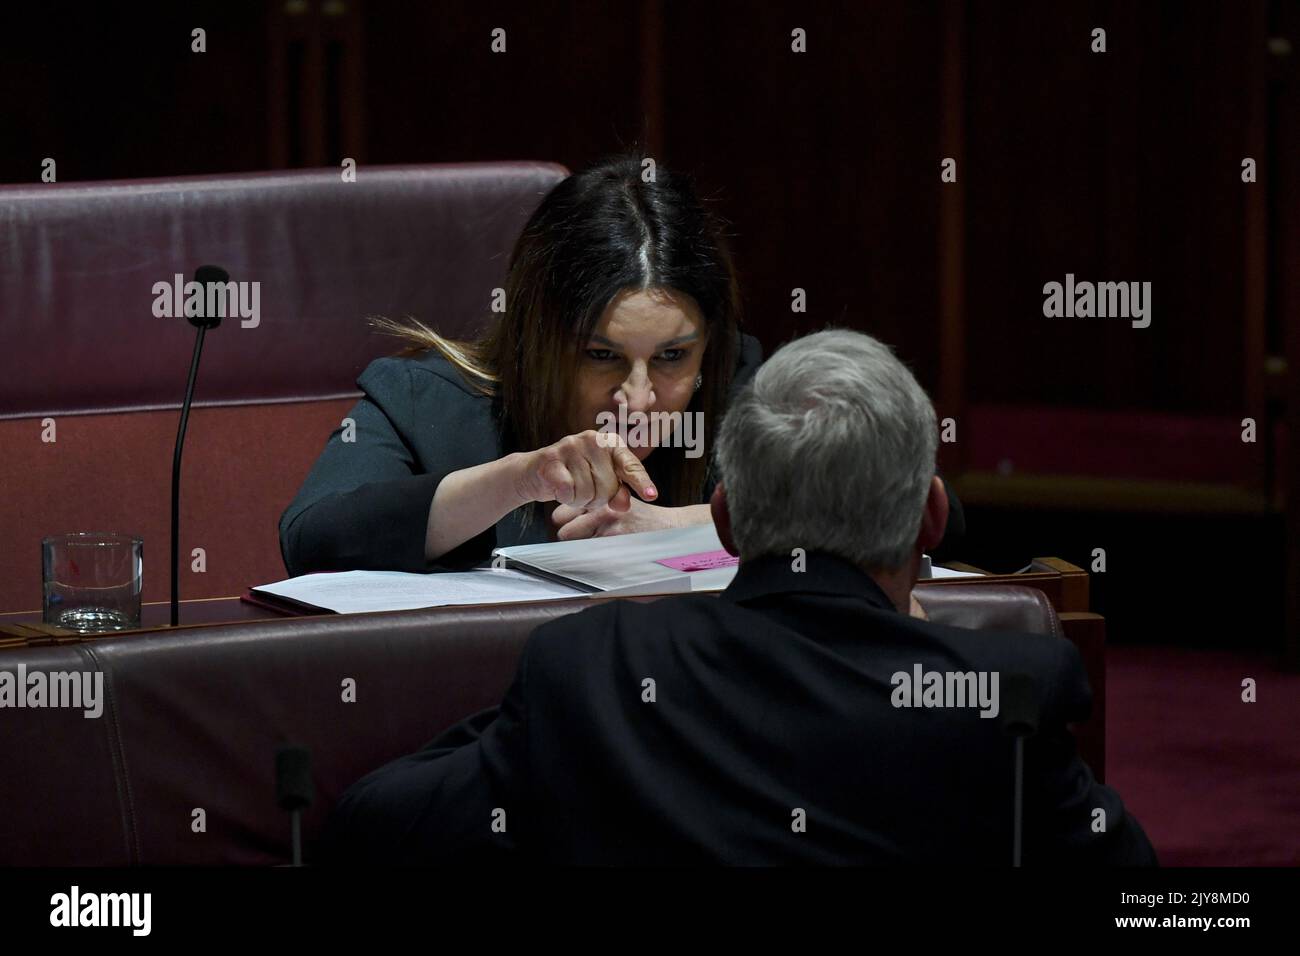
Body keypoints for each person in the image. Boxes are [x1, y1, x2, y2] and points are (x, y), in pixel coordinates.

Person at [321, 328, 1154, 866]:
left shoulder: (594, 669)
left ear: (723, 517)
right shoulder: (1000, 698)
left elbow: (369, 826)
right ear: (930, 515)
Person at [278, 154, 964, 576]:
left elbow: (918, 510)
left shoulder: (743, 393)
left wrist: (672, 526)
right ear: (538, 336)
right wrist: (518, 479)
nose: (638, 398)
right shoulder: (430, 399)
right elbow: (313, 536)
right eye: (601, 355)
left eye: (672, 356)